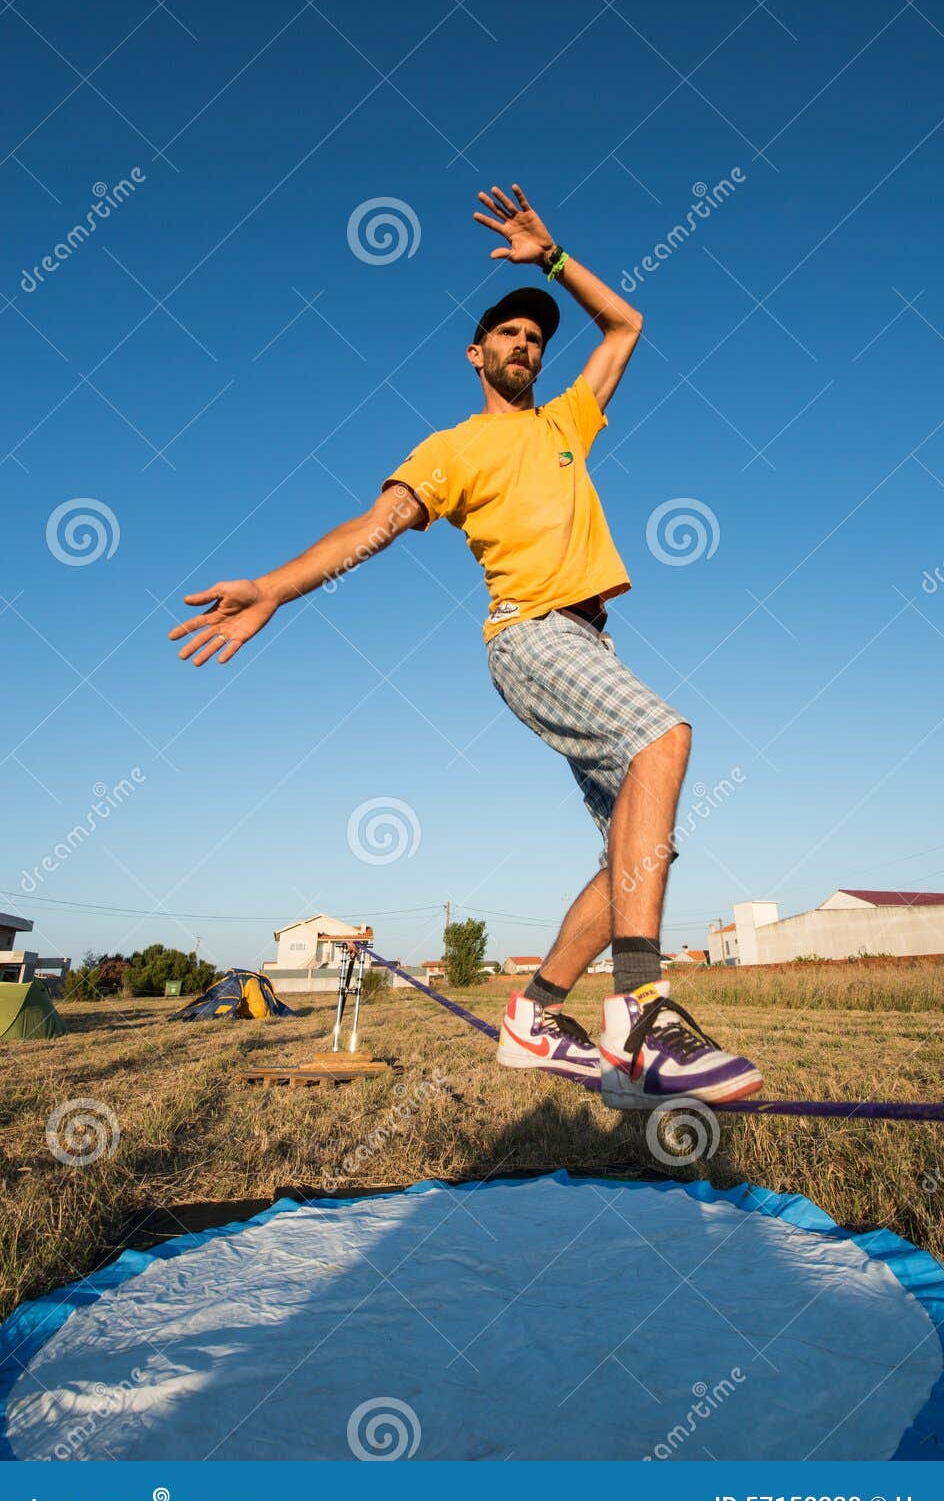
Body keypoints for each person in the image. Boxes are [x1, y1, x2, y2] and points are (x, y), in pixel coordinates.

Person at [169, 182, 762, 1110]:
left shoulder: (566, 423)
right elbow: (372, 525)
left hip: (589, 647)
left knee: (640, 859)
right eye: (509, 336)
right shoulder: (450, 450)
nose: (526, 344)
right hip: (528, 634)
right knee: (666, 737)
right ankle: (642, 1007)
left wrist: (555, 261)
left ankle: (536, 1013)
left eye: (536, 337)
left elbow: (626, 326)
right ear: (475, 354)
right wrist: (275, 589)